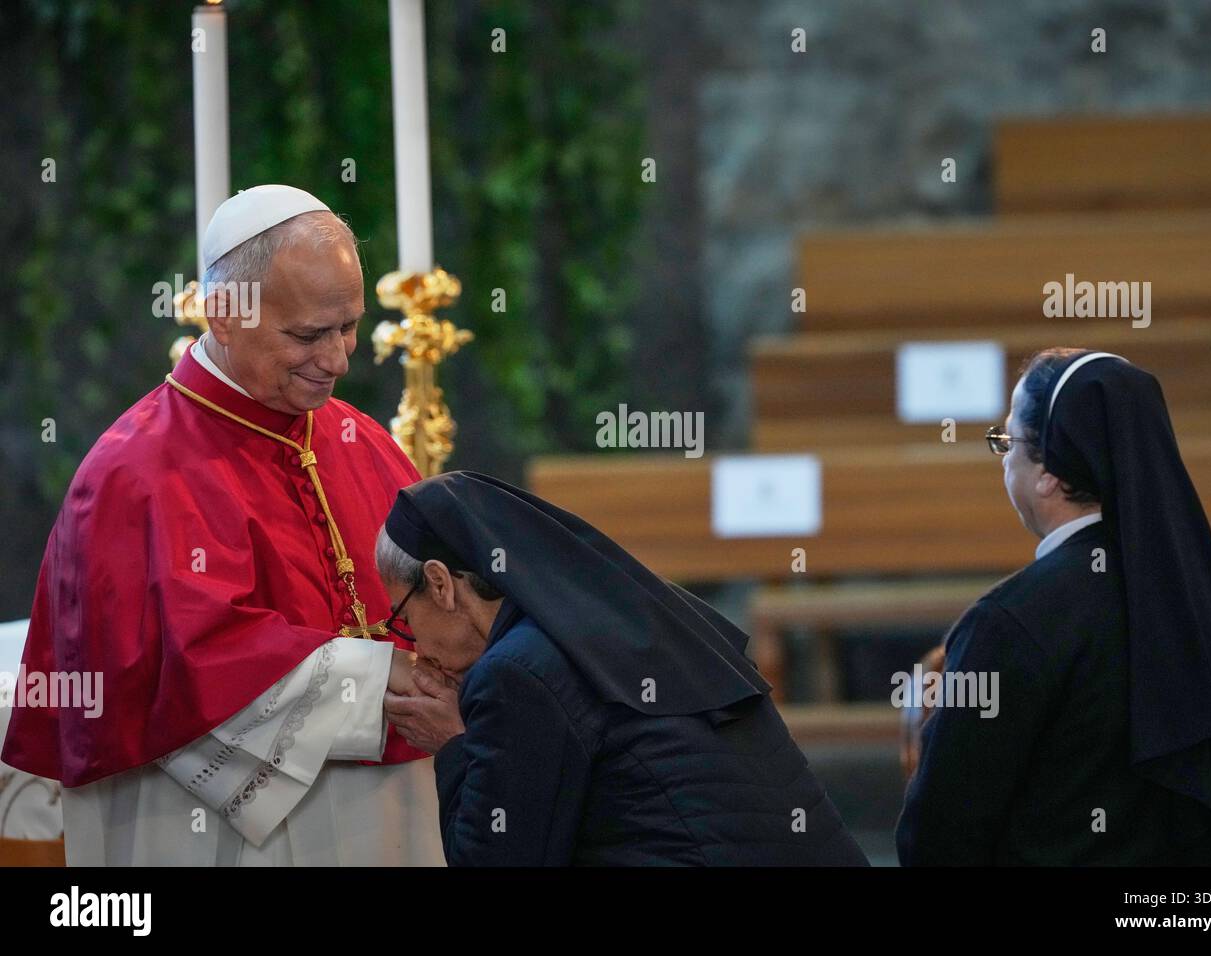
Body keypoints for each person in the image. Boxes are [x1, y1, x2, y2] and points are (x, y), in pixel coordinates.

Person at [1, 185, 444, 866]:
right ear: (224, 313)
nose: (338, 359)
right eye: (308, 335)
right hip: (214, 834)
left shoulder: (361, 439)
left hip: (386, 817)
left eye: (349, 325)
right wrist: (381, 677)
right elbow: (188, 664)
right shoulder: (135, 472)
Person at [896, 348, 1211, 865]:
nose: (1004, 457)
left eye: (1008, 441)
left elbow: (937, 838)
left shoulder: (1006, 625)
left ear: (1048, 470)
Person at [375, 471, 870, 866]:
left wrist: (454, 745)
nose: (414, 644)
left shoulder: (515, 673)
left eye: (403, 618)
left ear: (440, 584)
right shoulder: (616, 615)